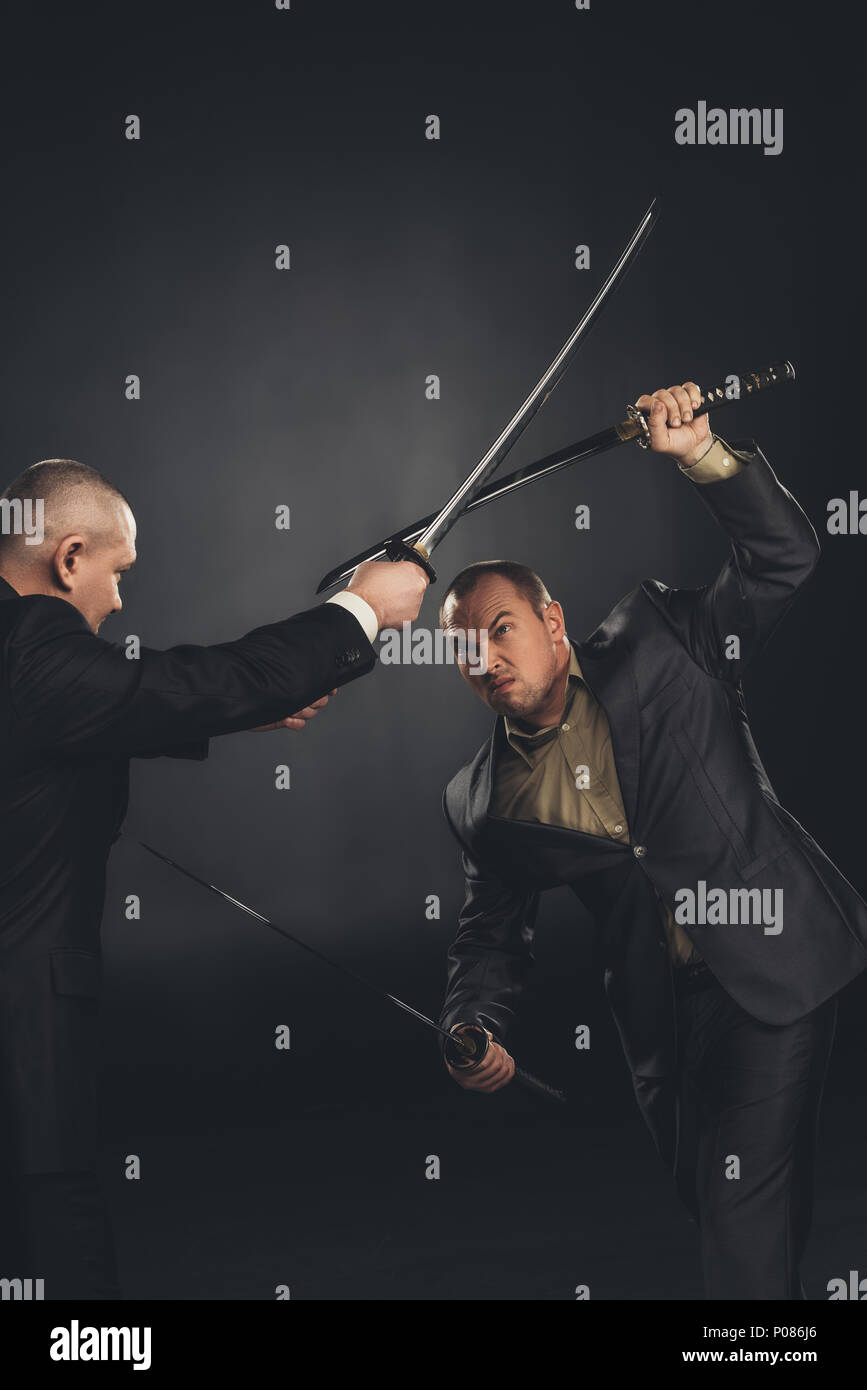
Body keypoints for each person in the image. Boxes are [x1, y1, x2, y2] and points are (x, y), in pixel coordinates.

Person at [437, 381, 867, 1299]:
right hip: (660, 1018)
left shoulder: (665, 638)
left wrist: (702, 458)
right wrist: (473, 1022)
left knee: (740, 1205)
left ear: (552, 624)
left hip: (774, 961)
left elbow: (783, 557)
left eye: (499, 630)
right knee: (731, 1211)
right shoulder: (483, 800)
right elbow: (489, 932)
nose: (483, 659)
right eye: (462, 650)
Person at [0, 457, 429, 1298]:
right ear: (70, 557)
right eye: (117, 574)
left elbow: (102, 714)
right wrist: (362, 611)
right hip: (20, 1016)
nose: (119, 600)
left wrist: (253, 703)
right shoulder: (33, 642)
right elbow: (169, 687)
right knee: (54, 1228)